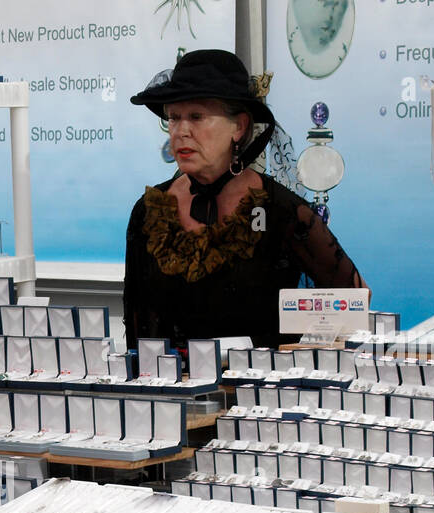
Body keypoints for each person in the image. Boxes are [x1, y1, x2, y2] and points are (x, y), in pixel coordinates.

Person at [124, 49, 365, 351]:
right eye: (174, 118)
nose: (181, 131)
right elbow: (138, 321)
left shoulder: (278, 210)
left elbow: (353, 302)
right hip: (172, 391)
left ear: (238, 127)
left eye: (196, 117)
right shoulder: (150, 211)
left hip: (259, 392)